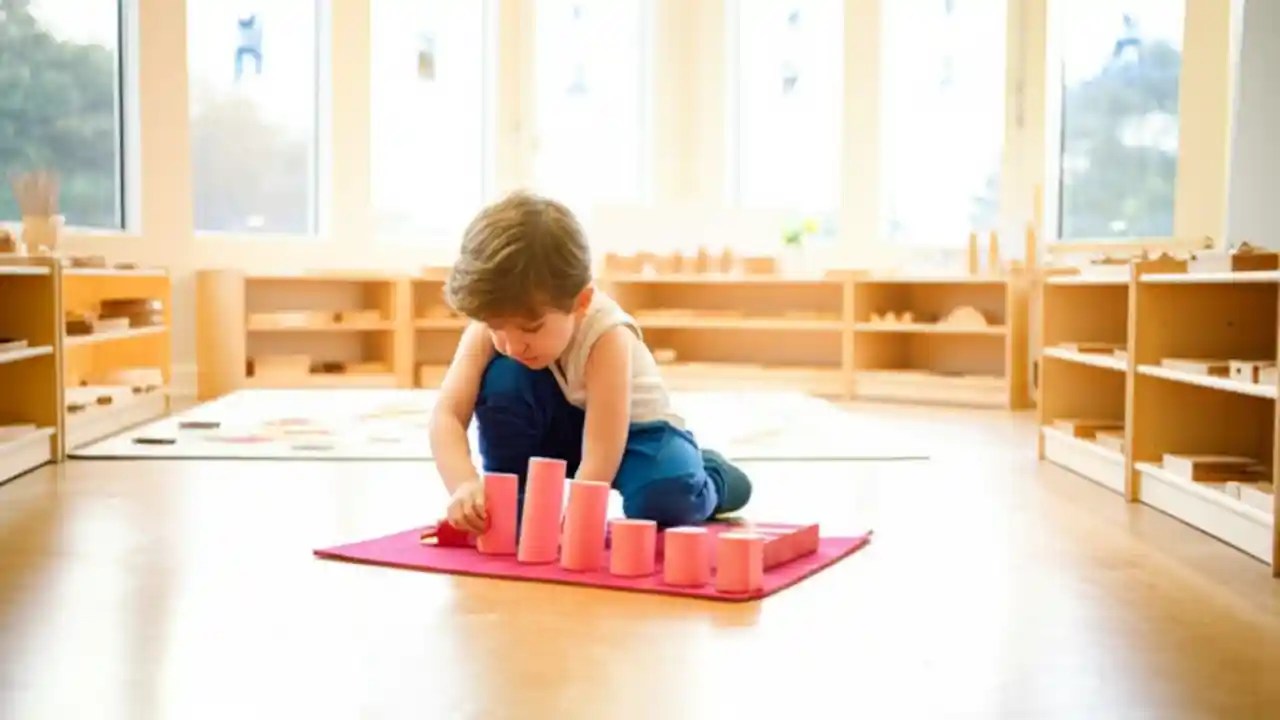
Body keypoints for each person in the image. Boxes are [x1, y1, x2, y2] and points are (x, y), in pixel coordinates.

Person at [430, 191, 753, 535]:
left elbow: (603, 446)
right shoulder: (499, 319)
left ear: (581, 301)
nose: (511, 343)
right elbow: (447, 413)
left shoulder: (607, 333)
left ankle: (711, 474)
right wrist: (465, 485)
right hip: (560, 427)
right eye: (497, 327)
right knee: (502, 378)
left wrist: (580, 515)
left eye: (530, 328)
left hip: (631, 433)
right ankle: (515, 492)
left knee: (663, 500)